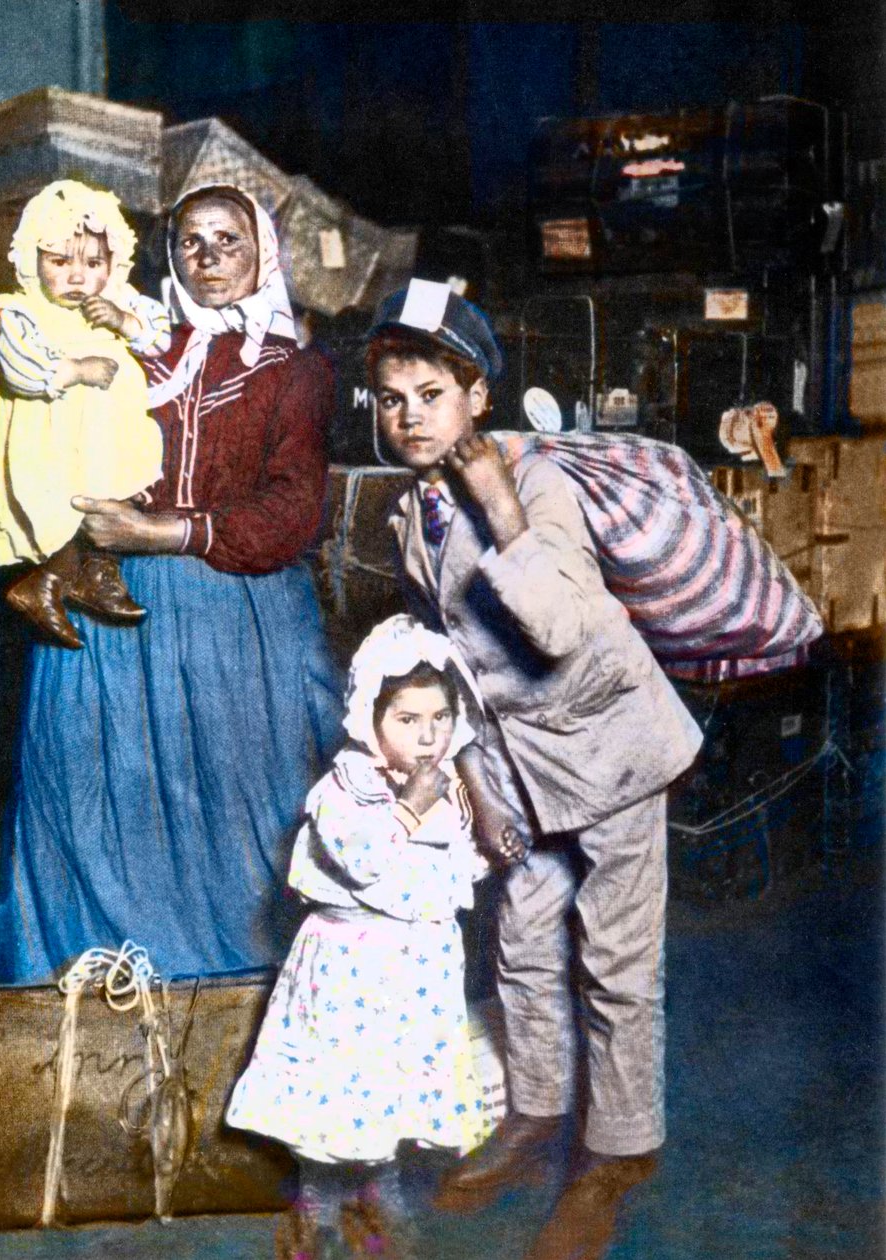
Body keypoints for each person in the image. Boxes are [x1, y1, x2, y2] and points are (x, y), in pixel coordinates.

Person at [363, 280, 703, 1230]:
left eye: (432, 394)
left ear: (479, 395)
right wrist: (477, 789)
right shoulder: (409, 514)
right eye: (391, 399)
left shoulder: (536, 480)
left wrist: (499, 503)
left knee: (616, 957)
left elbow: (553, 627)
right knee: (521, 943)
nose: (409, 416)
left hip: (610, 746)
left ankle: (620, 1150)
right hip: (517, 766)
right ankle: (537, 1112)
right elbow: (451, 671)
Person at [0, 184, 343, 983]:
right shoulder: (135, 342)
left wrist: (163, 532)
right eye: (191, 242)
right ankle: (87, 950)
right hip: (114, 599)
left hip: (236, 609)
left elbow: (293, 511)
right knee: (81, 778)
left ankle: (232, 982)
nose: (209, 259)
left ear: (263, 254)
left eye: (229, 241)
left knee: (238, 807)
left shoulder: (295, 372)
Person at [226, 614, 490, 1259]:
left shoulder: (451, 786)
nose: (427, 736)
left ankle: (383, 1190)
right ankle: (318, 1198)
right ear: (371, 720)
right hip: (352, 963)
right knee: (340, 1082)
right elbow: (362, 859)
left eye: (441, 718)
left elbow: (456, 868)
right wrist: (411, 807)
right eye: (408, 720)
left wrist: (479, 845)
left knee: (396, 1081)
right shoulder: (346, 788)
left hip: (417, 966)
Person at [0, 179, 168, 648]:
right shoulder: (21, 311)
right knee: (66, 512)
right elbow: (20, 368)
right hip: (53, 441)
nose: (77, 278)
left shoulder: (118, 300)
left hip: (109, 435)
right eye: (60, 262)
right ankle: (45, 582)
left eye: (93, 263)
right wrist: (76, 369)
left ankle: (97, 576)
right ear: (33, 259)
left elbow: (159, 338)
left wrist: (124, 322)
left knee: (117, 498)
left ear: (113, 262)